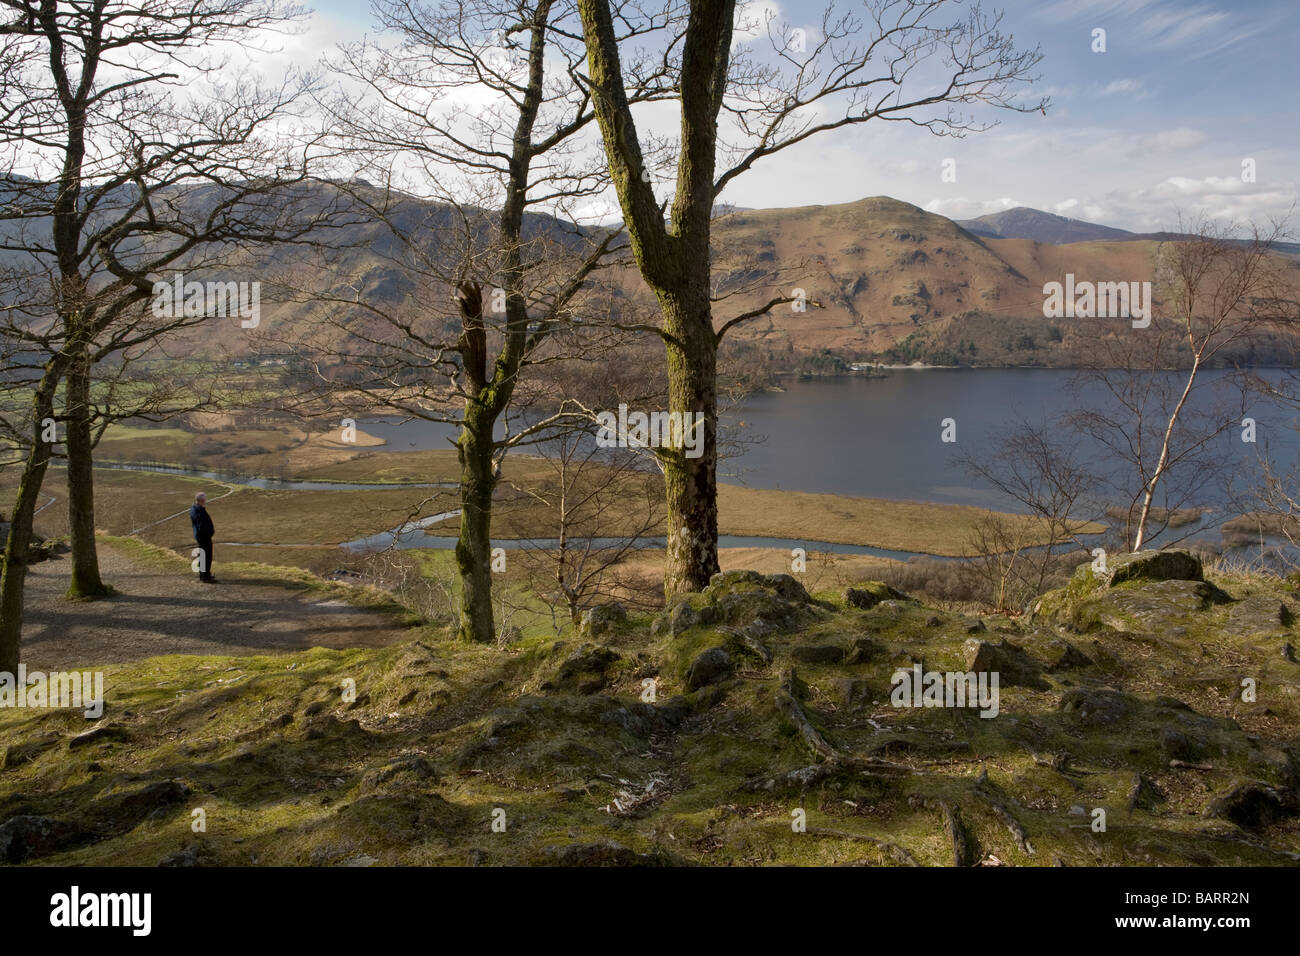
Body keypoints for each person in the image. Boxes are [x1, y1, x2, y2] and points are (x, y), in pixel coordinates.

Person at [189, 492, 217, 583]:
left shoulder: (196, 508)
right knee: (206, 557)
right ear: (202, 500)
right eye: (205, 499)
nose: (206, 501)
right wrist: (208, 534)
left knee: (203, 556)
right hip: (204, 538)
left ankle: (204, 575)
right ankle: (205, 577)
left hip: (202, 537)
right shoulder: (198, 510)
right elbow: (201, 526)